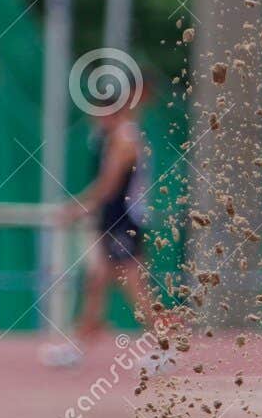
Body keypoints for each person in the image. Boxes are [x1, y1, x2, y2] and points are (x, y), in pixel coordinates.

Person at [43, 72, 169, 369]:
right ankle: (78, 345)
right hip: (111, 220)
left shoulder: (125, 139)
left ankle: (165, 347)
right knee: (96, 281)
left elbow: (109, 185)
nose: (94, 121)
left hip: (123, 220)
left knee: (133, 286)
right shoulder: (114, 136)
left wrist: (77, 208)